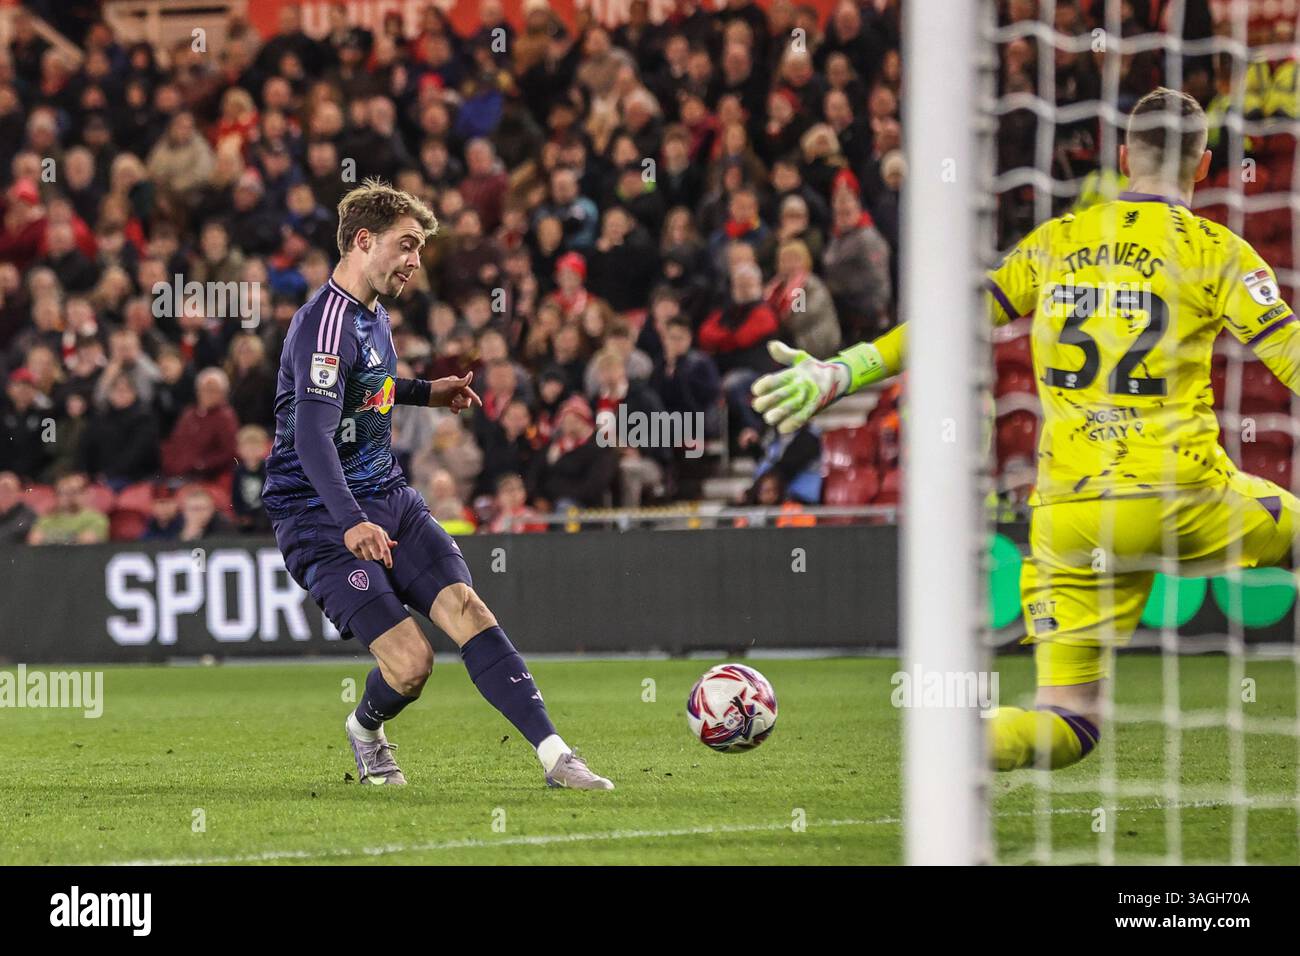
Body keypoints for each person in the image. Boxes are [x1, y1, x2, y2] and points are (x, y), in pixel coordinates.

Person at [753, 87, 1300, 774]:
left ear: (1126, 155)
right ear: (1205, 162)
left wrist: (844, 370)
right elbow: (1289, 357)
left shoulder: (1061, 239)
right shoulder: (1218, 250)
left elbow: (956, 321)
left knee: (1067, 722)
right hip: (1181, 496)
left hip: (1069, 515)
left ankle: (968, 744)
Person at [262, 178, 613, 790]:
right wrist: (350, 521)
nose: (415, 262)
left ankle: (556, 756)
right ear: (363, 241)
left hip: (390, 496)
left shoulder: (373, 316)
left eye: (419, 248)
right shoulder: (323, 325)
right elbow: (314, 439)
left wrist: (428, 391)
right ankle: (366, 731)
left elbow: (366, 389)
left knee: (467, 608)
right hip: (319, 514)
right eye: (407, 246)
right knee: (411, 664)